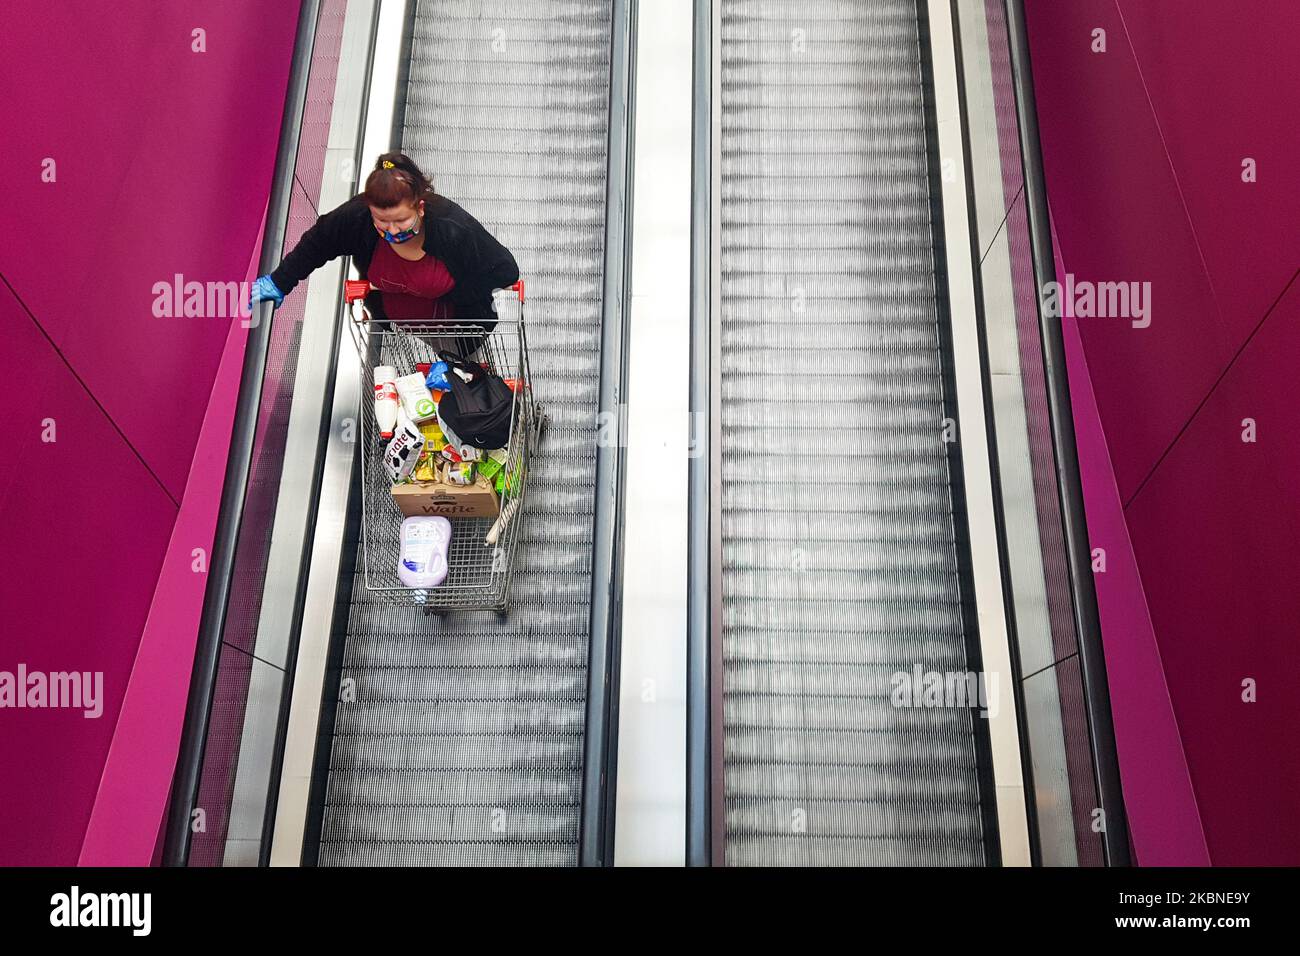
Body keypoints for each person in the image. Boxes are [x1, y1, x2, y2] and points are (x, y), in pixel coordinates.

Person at [249, 152, 519, 351]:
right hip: (398, 325)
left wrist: (456, 290)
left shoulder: (452, 228)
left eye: (401, 221)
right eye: (382, 221)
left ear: (420, 208)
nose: (392, 230)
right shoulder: (357, 219)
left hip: (456, 328)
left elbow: (505, 270)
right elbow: (318, 243)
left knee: (463, 396)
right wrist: (280, 281)